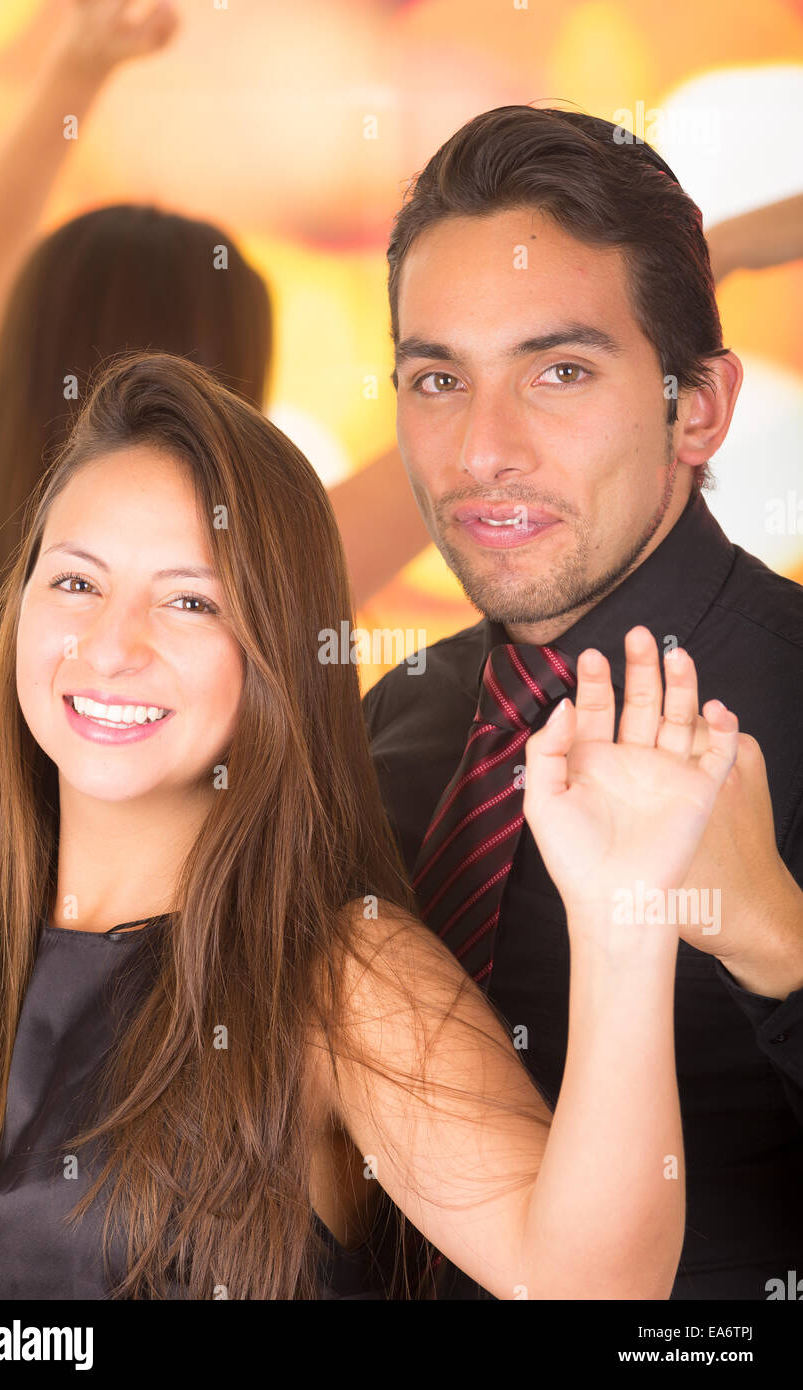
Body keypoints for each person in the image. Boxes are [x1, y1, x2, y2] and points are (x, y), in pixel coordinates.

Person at [0, 350, 739, 1300]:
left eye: (192, 601)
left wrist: (623, 922)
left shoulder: (344, 981)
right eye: (75, 583)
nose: (111, 647)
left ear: (277, 650)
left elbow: (587, 1290)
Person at [362, 104, 803, 1300]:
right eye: (438, 377)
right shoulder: (395, 717)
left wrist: (774, 937)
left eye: (560, 371)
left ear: (697, 406)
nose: (482, 450)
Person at [0, 0, 428, 724]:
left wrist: (80, 65)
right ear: (236, 382)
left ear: (21, 338)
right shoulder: (265, 575)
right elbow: (460, 445)